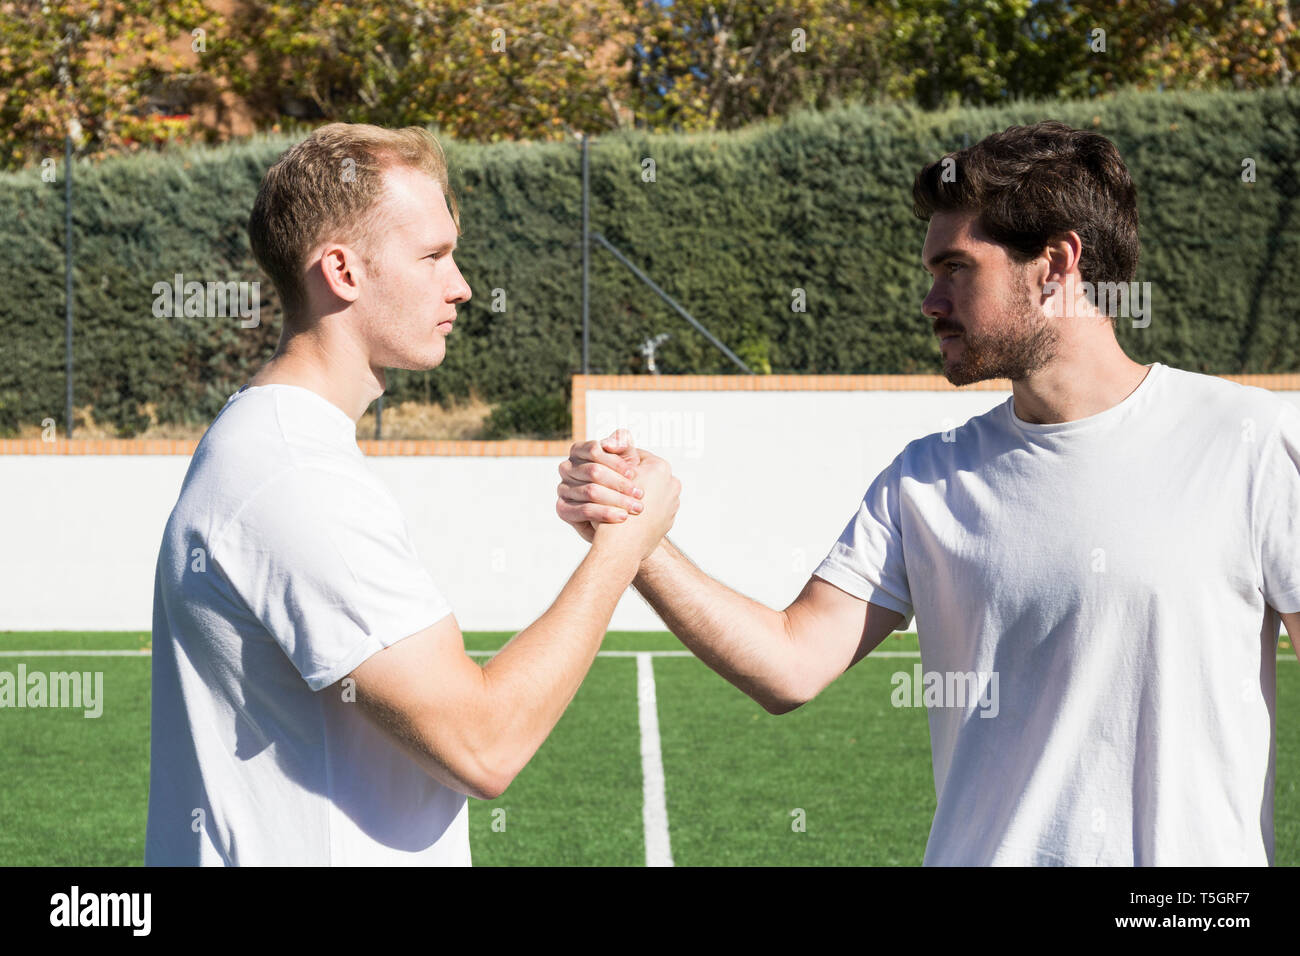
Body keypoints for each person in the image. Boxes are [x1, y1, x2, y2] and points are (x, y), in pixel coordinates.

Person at [556, 121, 1300, 866]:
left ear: (1056, 264)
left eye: (955, 268)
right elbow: (790, 664)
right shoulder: (925, 478)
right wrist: (640, 538)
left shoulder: (1251, 441)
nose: (930, 301)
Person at [145, 123, 680, 865]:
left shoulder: (274, 444)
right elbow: (484, 744)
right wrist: (624, 543)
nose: (460, 284)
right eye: (432, 256)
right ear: (343, 270)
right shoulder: (297, 478)